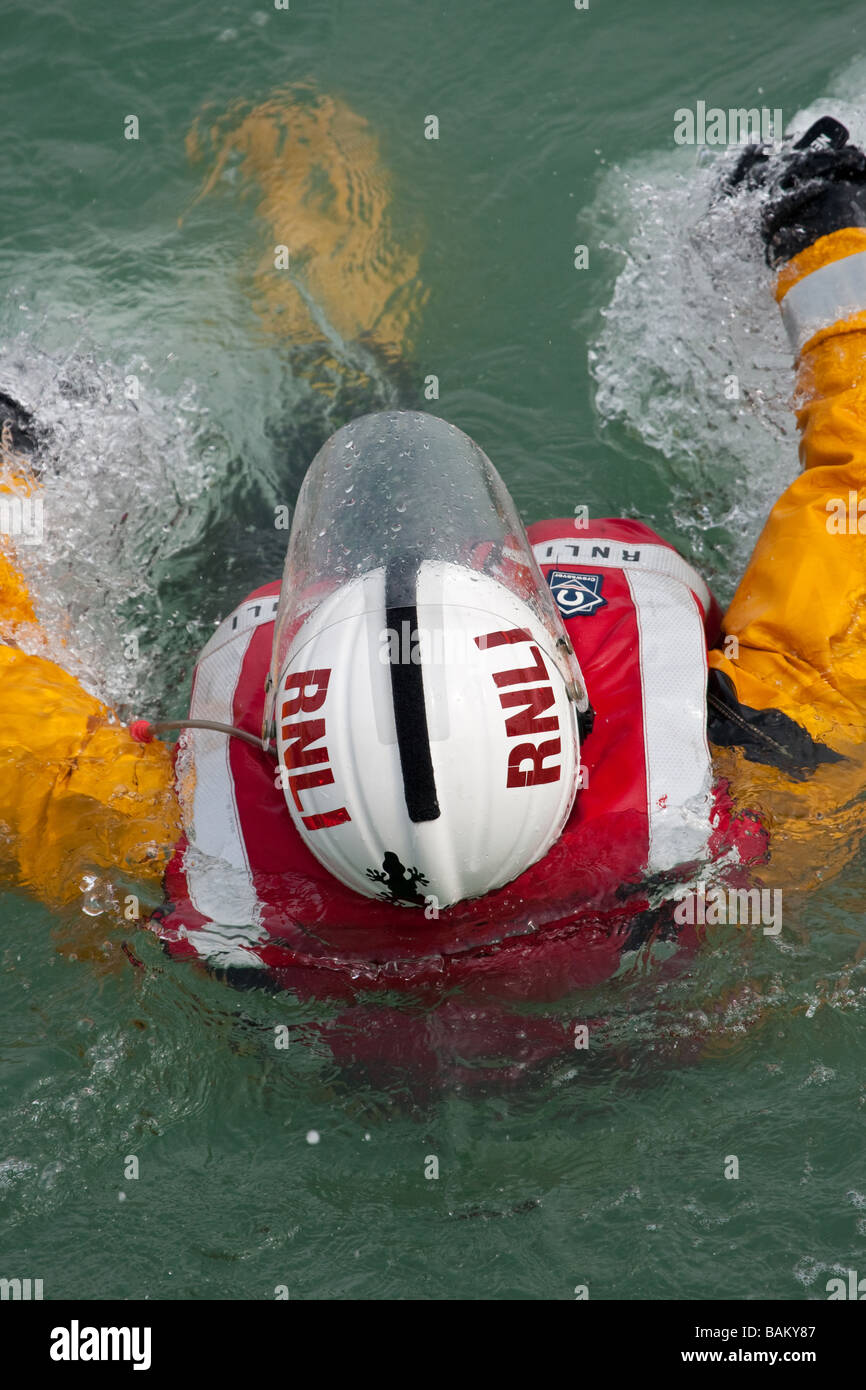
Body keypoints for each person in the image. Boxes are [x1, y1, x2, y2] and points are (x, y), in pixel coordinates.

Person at [2, 116, 866, 1049]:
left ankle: (311, 221)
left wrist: (19, 464)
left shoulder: (188, 858)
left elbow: (20, 715)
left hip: (368, 1080)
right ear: (571, 706)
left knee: (335, 398)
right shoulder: (765, 768)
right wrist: (824, 239)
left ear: (284, 752)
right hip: (646, 1042)